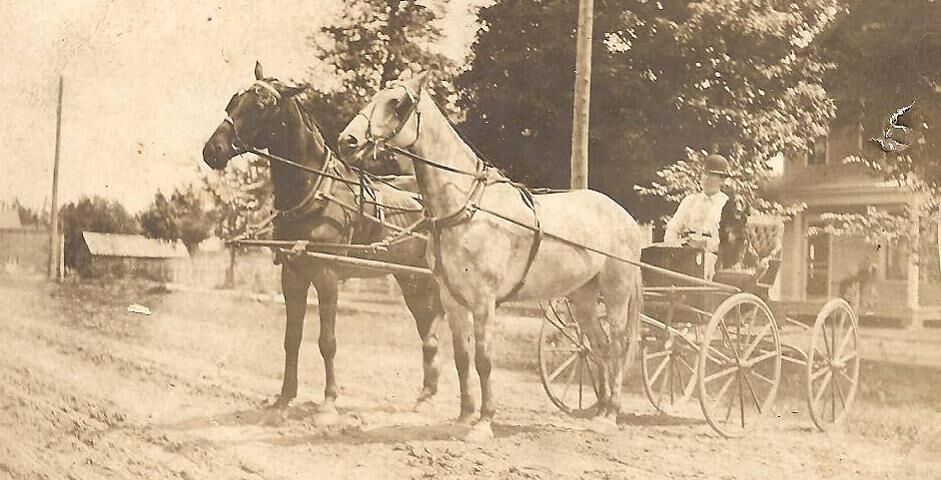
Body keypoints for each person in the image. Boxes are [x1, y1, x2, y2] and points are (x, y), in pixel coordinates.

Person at [664, 154, 732, 279]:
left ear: (722, 180)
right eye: (704, 173)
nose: (706, 178)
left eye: (711, 175)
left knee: (703, 263)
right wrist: (672, 247)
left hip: (713, 257)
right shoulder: (689, 201)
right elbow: (672, 228)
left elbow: (729, 244)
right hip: (683, 252)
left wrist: (705, 244)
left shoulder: (728, 205)